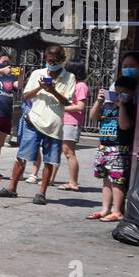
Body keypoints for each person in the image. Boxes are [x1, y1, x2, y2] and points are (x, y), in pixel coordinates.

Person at [0, 45, 76, 204]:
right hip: (34, 120)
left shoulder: (69, 77)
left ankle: (42, 193)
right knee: (22, 155)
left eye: (55, 60)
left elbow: (67, 101)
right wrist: (40, 87)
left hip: (53, 125)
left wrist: (52, 90)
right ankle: (12, 188)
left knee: (50, 159)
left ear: (62, 60)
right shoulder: (38, 73)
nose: (51, 63)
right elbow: (26, 95)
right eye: (49, 60)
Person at [87, 53, 139, 222]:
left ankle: (117, 210)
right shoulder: (108, 104)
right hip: (104, 146)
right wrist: (99, 101)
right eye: (117, 93)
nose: (119, 96)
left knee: (118, 180)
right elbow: (94, 117)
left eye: (124, 93)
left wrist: (123, 105)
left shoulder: (129, 107)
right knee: (106, 179)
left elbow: (125, 125)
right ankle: (105, 208)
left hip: (120, 147)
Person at [58, 63, 89, 191]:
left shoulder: (81, 85)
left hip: (72, 121)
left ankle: (73, 182)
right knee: (61, 150)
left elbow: (80, 106)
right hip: (65, 120)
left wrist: (62, 108)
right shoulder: (72, 84)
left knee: (69, 152)